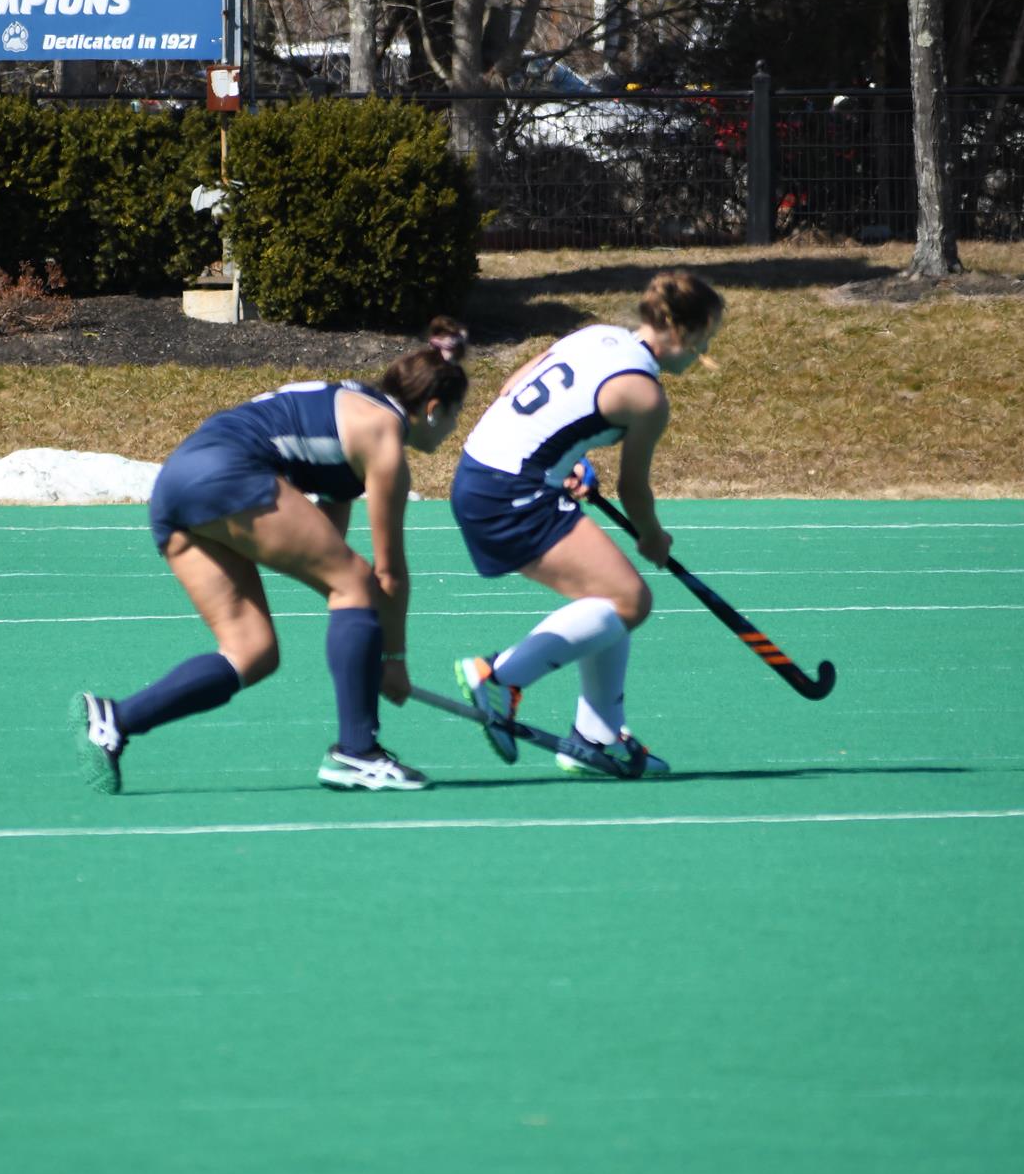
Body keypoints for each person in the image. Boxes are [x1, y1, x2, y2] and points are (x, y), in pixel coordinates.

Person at [73, 319, 471, 793]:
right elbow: (387, 574)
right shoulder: (384, 436)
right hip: (228, 472)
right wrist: (393, 659)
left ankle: (116, 722)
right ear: (432, 409)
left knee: (252, 651)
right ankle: (357, 752)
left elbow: (326, 537)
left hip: (175, 485)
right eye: (454, 416)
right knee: (355, 582)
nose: (452, 429)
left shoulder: (351, 410)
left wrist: (361, 634)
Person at [448, 270, 725, 778]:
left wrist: (568, 459)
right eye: (705, 339)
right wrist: (652, 536)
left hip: (481, 473)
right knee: (631, 601)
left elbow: (516, 390)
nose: (704, 353)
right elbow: (633, 490)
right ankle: (500, 675)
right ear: (683, 333)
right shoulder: (646, 397)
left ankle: (597, 735)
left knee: (610, 595)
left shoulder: (596, 336)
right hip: (510, 492)